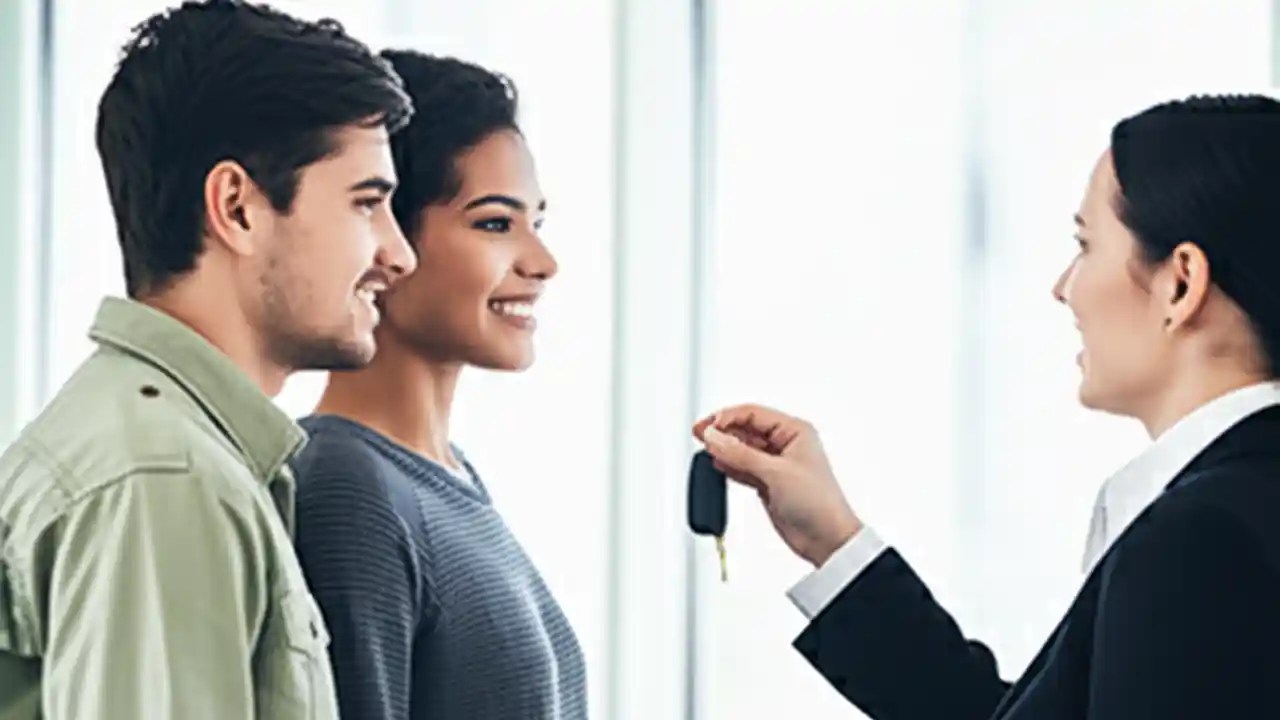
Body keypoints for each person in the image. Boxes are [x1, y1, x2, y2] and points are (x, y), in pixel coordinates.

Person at [695, 94, 1280, 719]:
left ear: (1181, 283)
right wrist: (834, 543)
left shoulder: (1197, 541)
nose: (1063, 288)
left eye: (1085, 245)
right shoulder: (1240, 508)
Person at [0, 2, 416, 718]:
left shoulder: (175, 454)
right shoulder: (163, 477)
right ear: (238, 208)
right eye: (365, 205)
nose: (398, 254)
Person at [289, 51, 585, 720]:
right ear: (382, 232)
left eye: (535, 223)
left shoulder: (448, 478)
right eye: (494, 223)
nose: (542, 262)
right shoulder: (346, 489)